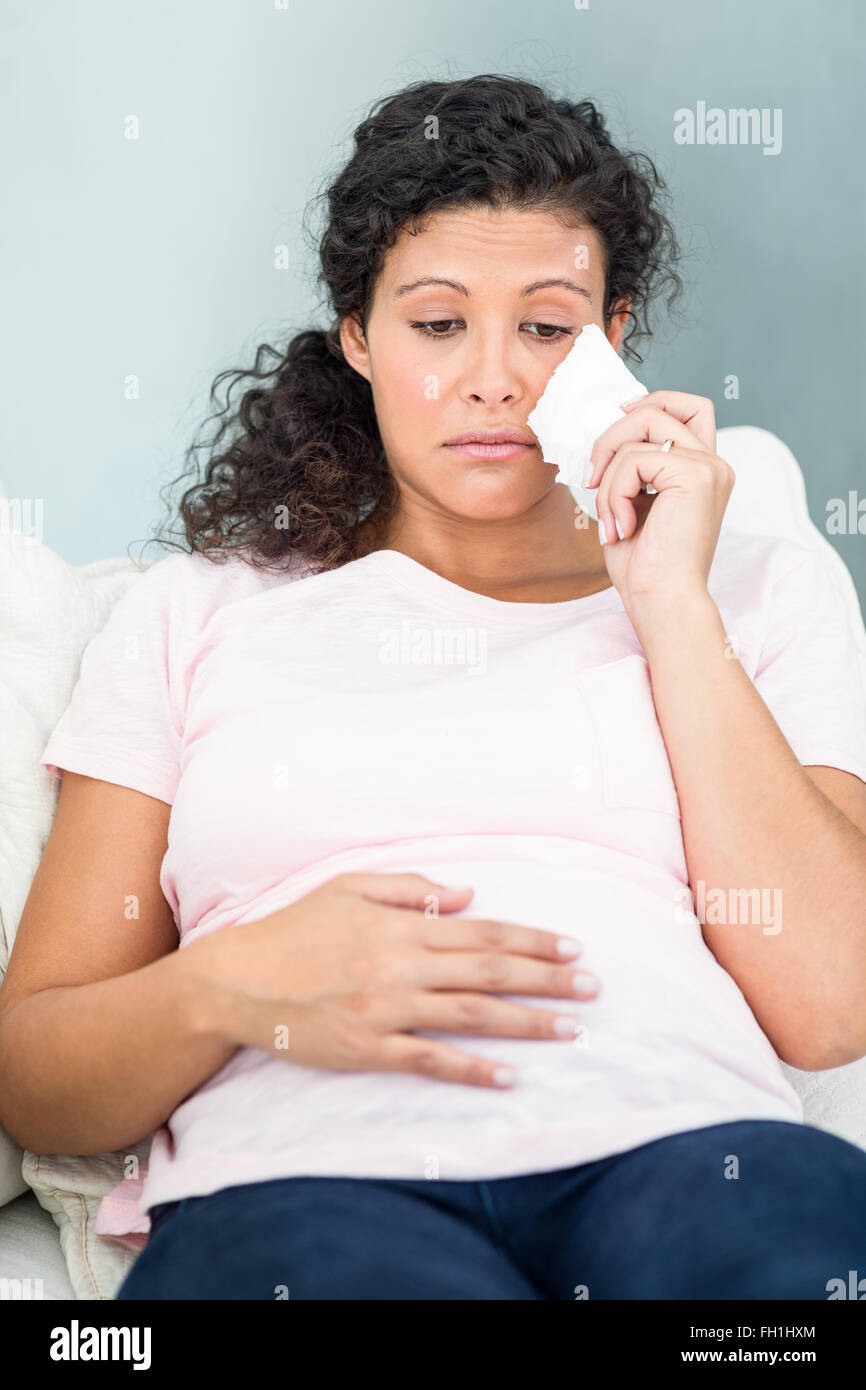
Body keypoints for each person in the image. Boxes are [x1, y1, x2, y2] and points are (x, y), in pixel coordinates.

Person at [2, 74, 866, 1302]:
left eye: (548, 325)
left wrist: (667, 602)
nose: (495, 379)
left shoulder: (753, 585)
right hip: (301, 1185)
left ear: (612, 340)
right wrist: (235, 982)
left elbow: (830, 1002)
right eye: (437, 322)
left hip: (688, 1154)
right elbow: (37, 1069)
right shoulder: (202, 613)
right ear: (357, 336)